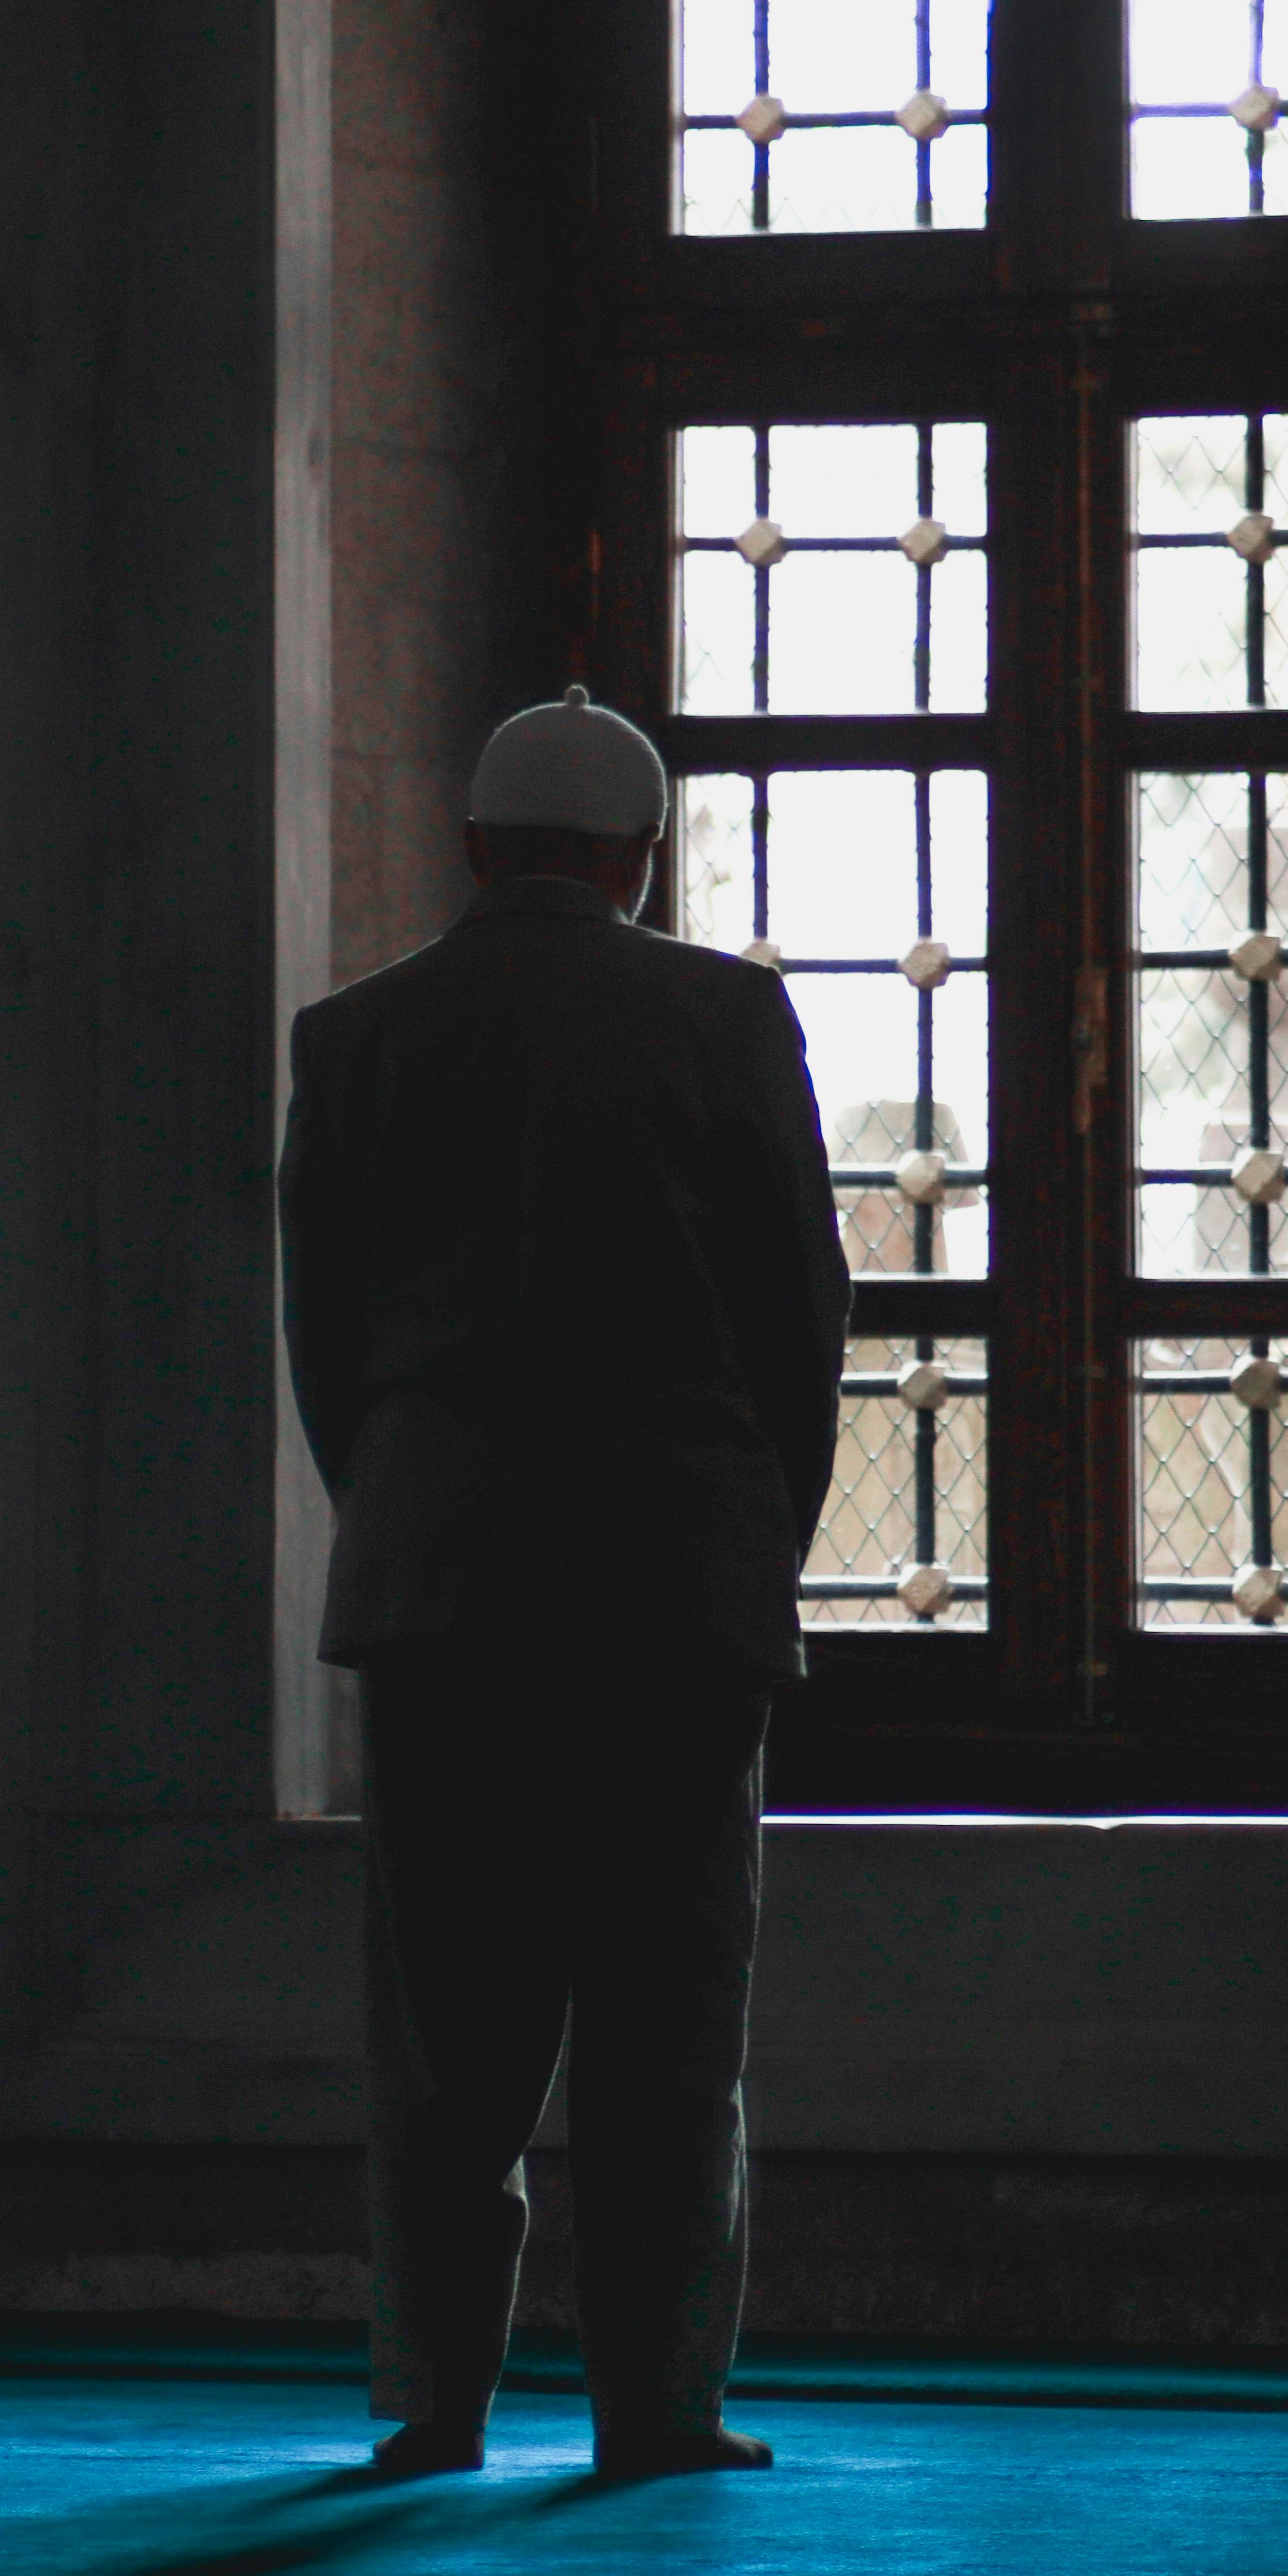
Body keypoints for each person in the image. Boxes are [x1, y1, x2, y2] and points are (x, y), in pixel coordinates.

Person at [278, 684, 849, 2480]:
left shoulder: (356, 1038)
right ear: (640, 858)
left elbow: (327, 1348)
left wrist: (409, 1511)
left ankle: (436, 2400)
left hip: (441, 1589)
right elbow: (801, 1321)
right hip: (676, 1593)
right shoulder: (725, 1019)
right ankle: (654, 2408)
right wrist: (750, 1533)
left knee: (446, 2027)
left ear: (471, 847)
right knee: (667, 2020)